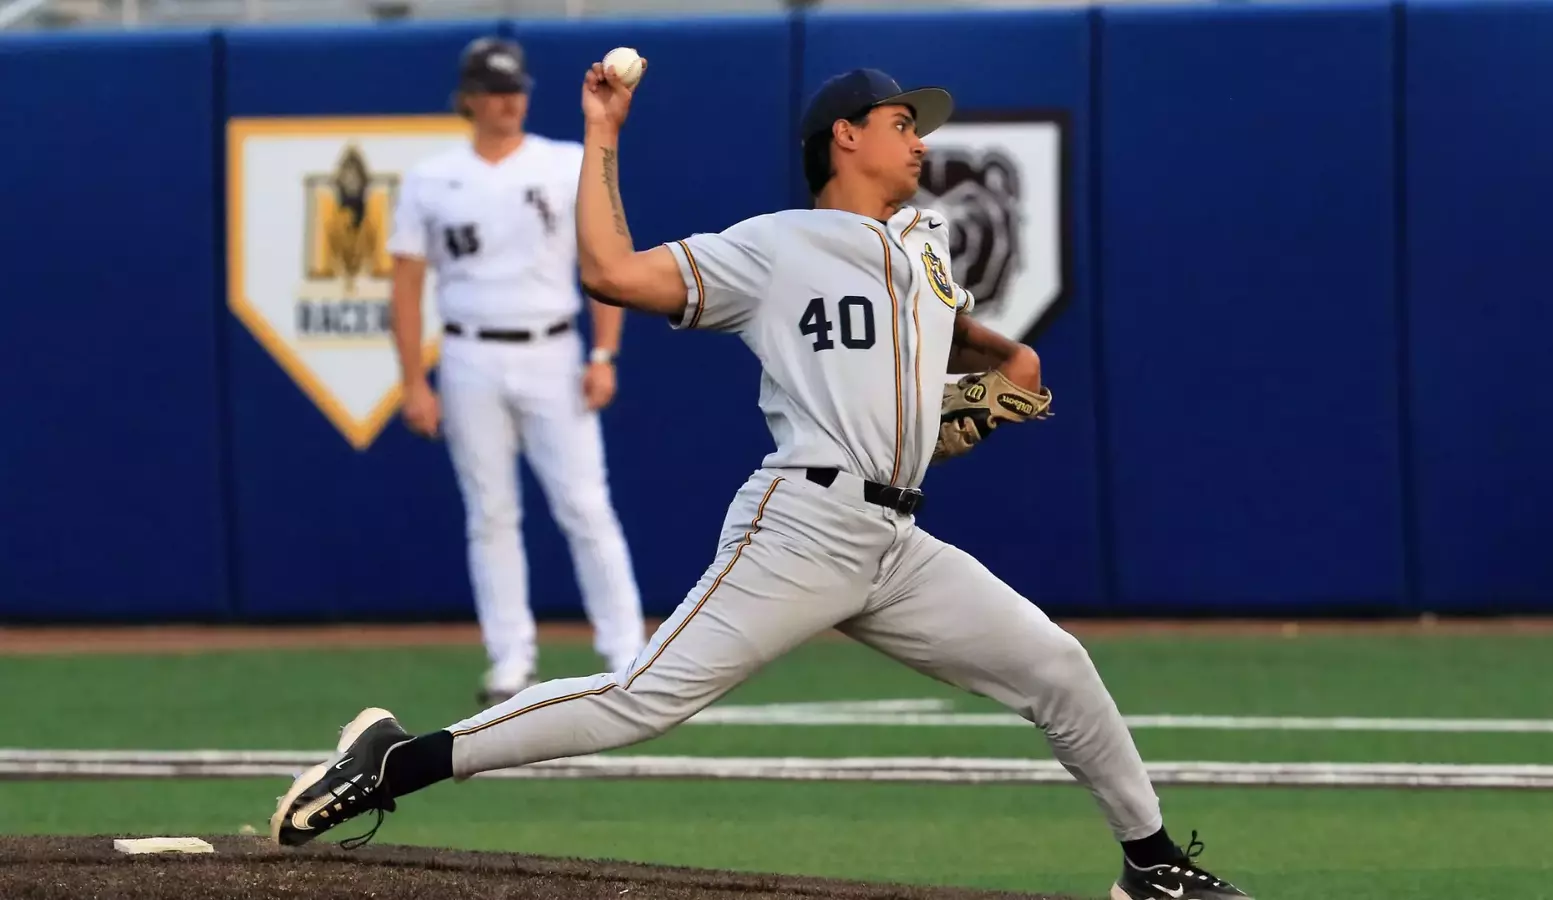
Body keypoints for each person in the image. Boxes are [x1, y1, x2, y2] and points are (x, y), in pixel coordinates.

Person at [272, 57, 1254, 900]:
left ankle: (1152, 865)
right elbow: (612, 272)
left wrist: (1003, 357)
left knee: (1057, 667)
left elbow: (934, 327)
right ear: (845, 137)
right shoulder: (771, 248)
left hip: (897, 545)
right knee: (644, 698)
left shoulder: (924, 243)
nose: (920, 142)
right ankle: (394, 762)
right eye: (901, 124)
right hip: (804, 524)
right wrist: (603, 133)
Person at [386, 37, 647, 706]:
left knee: (585, 504)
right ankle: (510, 658)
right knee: (490, 512)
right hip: (468, 352)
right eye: (494, 90)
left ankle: (628, 652)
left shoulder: (563, 163)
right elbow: (406, 284)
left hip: (552, 348)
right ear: (467, 99)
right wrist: (413, 381)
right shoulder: (431, 178)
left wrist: (604, 353)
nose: (508, 101)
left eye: (516, 89)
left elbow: (602, 260)